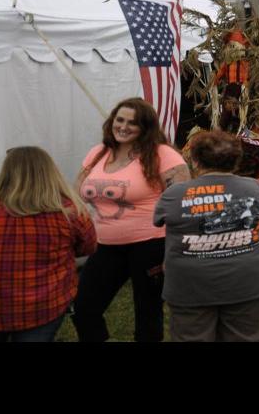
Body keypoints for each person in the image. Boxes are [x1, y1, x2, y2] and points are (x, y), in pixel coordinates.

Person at [71, 98, 190, 342]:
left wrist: (174, 251)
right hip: (104, 244)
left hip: (151, 244)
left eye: (132, 123)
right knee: (84, 308)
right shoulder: (98, 153)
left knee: (148, 314)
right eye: (120, 119)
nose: (123, 127)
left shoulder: (163, 155)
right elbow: (76, 191)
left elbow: (181, 204)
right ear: (112, 120)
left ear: (145, 127)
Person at [153, 131, 259, 342]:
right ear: (236, 161)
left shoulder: (174, 194)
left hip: (189, 285)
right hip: (245, 282)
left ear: (196, 161)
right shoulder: (254, 188)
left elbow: (158, 219)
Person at [0, 147, 97, 342]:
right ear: (49, 171)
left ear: (6, 172)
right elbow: (88, 247)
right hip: (44, 307)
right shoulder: (70, 212)